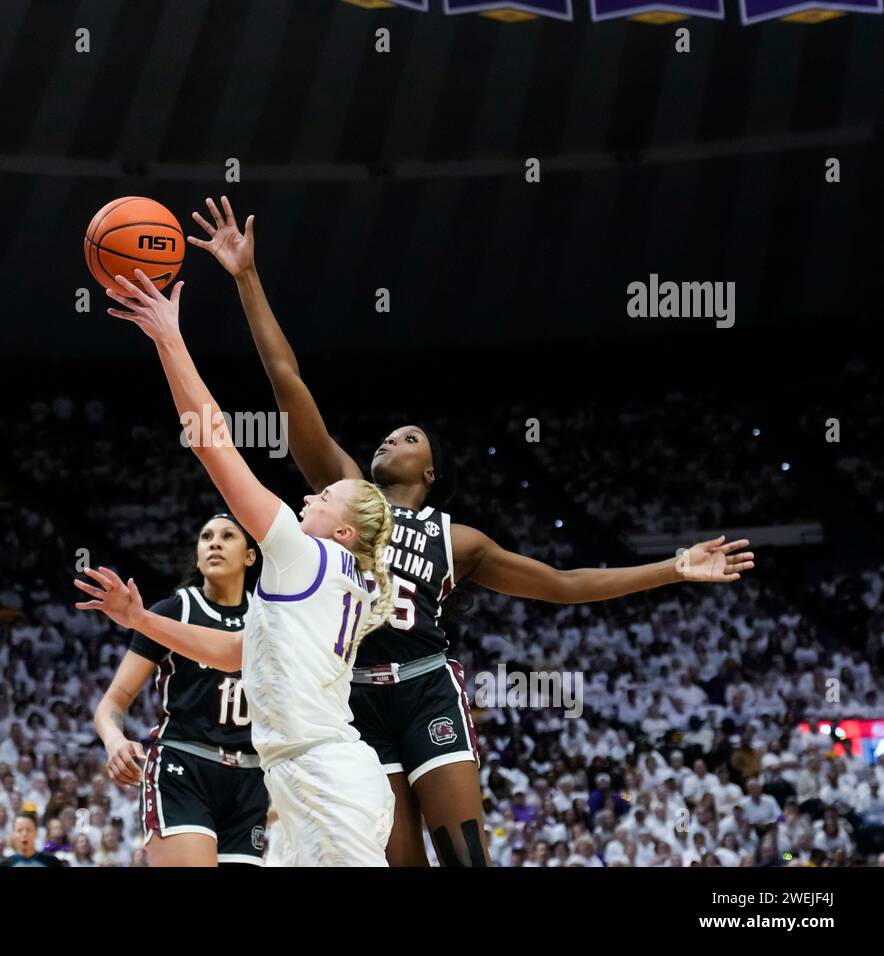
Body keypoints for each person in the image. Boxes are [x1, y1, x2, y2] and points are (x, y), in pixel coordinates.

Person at [187, 196, 757, 866]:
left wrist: (672, 567)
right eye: (390, 432)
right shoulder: (344, 491)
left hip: (426, 684)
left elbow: (563, 585)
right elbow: (289, 384)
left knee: (464, 856)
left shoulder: (457, 539)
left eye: (411, 436)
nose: (392, 437)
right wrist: (247, 278)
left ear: (429, 472)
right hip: (350, 698)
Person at [76, 269, 397, 866]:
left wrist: (170, 339)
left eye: (323, 499)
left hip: (322, 778)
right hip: (321, 778)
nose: (308, 497)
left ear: (345, 531)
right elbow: (234, 654)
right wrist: (140, 618)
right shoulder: (332, 580)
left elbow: (212, 442)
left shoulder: (307, 555)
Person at [93, 514, 269, 866]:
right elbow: (113, 701)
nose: (214, 543)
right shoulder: (174, 610)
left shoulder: (269, 615)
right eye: (206, 537)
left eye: (227, 536)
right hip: (183, 766)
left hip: (251, 779)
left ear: (251, 556)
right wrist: (115, 741)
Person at [0, 814, 65, 867]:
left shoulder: (52, 862)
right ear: (13, 834)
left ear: (36, 833)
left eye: (28, 830)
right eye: (19, 830)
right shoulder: (4, 865)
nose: (24, 834)